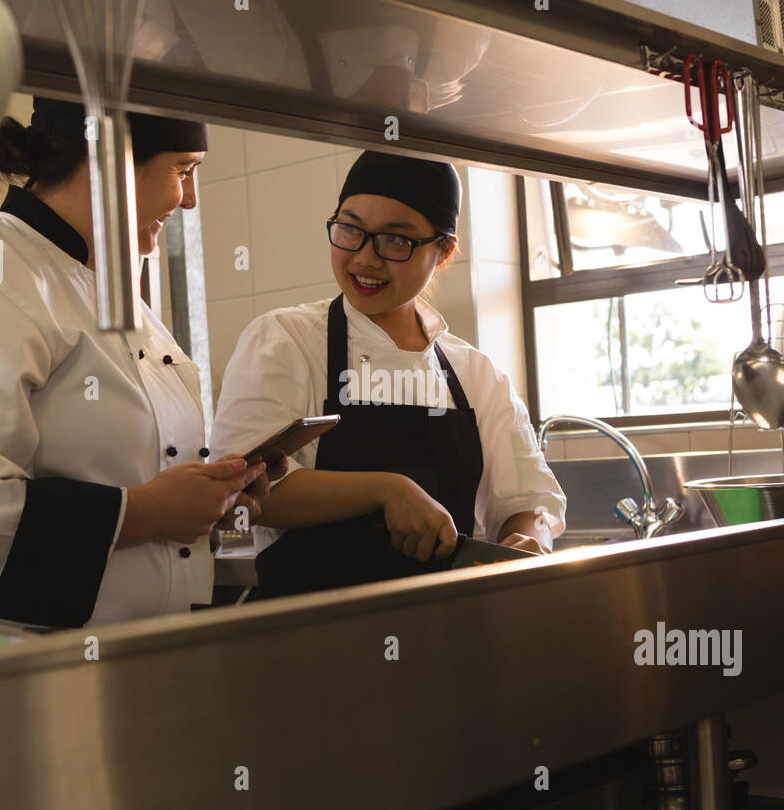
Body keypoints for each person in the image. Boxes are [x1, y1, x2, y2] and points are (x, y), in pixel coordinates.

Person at [0, 97, 280, 628]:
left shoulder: (110, 288)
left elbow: (143, 500)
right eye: (183, 171)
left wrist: (215, 510)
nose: (189, 200)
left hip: (139, 655)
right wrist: (148, 512)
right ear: (110, 166)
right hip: (21, 663)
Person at [211, 150, 565, 599]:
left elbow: (527, 500)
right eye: (350, 230)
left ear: (444, 251)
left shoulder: (474, 373)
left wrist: (529, 540)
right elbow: (242, 487)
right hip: (309, 636)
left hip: (445, 629)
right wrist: (386, 490)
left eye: (395, 241)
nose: (365, 258)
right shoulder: (286, 340)